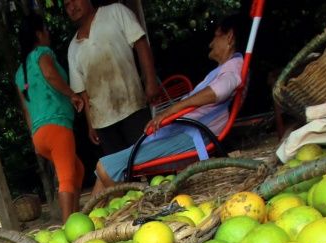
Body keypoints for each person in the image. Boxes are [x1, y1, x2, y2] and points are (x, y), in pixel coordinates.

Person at [91, 13, 246, 194]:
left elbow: (220, 90)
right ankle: (89, 220)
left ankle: (131, 210)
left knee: (105, 168)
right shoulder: (224, 69)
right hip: (183, 133)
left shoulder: (234, 67)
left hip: (192, 136)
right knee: (102, 173)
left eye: (216, 36)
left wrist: (170, 111)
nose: (211, 43)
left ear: (229, 37)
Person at [65, 0, 162, 158]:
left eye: (74, 0)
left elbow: (141, 43)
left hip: (133, 106)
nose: (72, 7)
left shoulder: (116, 12)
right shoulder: (72, 48)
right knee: (122, 174)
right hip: (103, 122)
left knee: (150, 159)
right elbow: (83, 92)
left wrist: (151, 81)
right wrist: (91, 125)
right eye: (67, 5)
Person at [14, 14, 85, 223]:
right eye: (46, 29)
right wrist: (72, 94)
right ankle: (68, 228)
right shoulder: (42, 53)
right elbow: (50, 74)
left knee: (77, 169)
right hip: (56, 125)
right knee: (66, 178)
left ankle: (76, 217)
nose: (48, 33)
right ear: (39, 34)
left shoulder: (20, 72)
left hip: (39, 135)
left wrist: (33, 137)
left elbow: (26, 109)